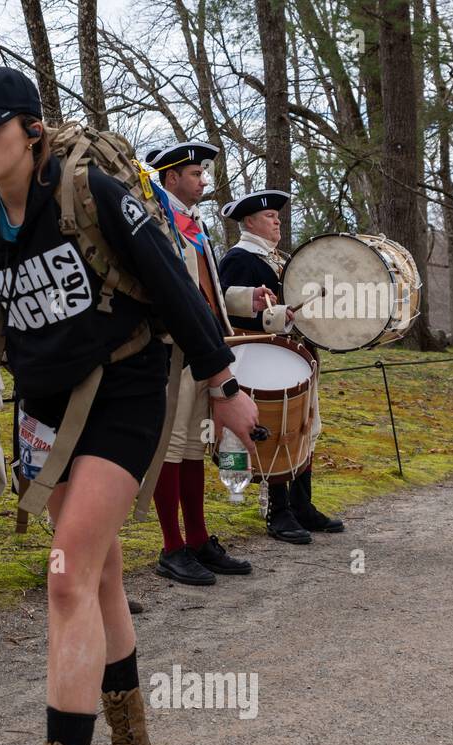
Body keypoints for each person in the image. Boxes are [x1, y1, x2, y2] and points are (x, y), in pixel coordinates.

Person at [0, 67, 258, 745]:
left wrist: (222, 383)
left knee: (64, 576)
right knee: (101, 574)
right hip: (43, 407)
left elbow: (171, 282)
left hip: (125, 386)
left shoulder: (91, 191)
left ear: (31, 131)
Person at [145, 140, 276, 582]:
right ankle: (171, 546)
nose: (203, 181)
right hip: (170, 352)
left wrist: (246, 298)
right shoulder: (155, 221)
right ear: (171, 178)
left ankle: (198, 539)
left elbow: (206, 291)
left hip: (202, 349)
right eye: (196, 175)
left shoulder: (191, 223)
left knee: (191, 451)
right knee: (169, 449)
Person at [219, 188, 343, 538]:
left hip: (291, 355)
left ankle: (303, 506)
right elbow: (227, 313)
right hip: (260, 361)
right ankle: (278, 512)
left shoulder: (277, 258)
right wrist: (276, 318)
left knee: (304, 428)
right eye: (270, 216)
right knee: (276, 434)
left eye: (278, 216)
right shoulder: (239, 258)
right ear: (249, 221)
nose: (277, 221)